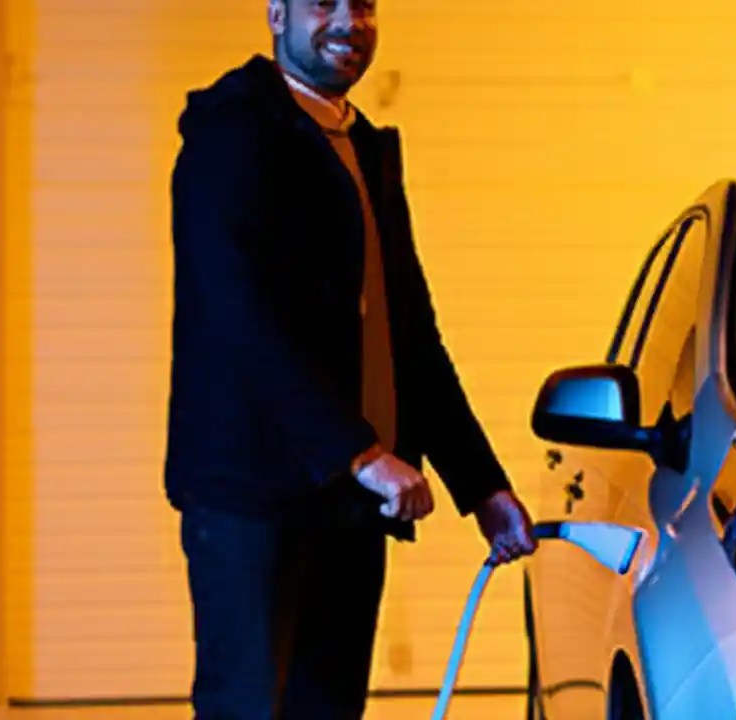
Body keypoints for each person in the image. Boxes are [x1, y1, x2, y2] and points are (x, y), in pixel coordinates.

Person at [164, 0, 537, 717]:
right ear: (275, 14)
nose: (347, 20)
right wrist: (361, 454)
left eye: (362, 4)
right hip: (254, 494)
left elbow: (410, 336)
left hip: (348, 502)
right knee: (248, 707)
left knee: (330, 710)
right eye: (321, 3)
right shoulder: (232, 134)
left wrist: (482, 488)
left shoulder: (360, 145)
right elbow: (243, 320)